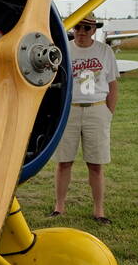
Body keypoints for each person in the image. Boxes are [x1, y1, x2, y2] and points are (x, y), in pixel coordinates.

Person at [51, 13, 119, 223]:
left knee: (96, 164)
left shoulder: (104, 51)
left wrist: (108, 112)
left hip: (96, 108)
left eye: (86, 28)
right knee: (64, 161)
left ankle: (99, 210)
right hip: (70, 110)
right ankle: (59, 207)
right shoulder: (65, 50)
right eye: (77, 27)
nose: (81, 32)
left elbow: (113, 84)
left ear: (94, 30)